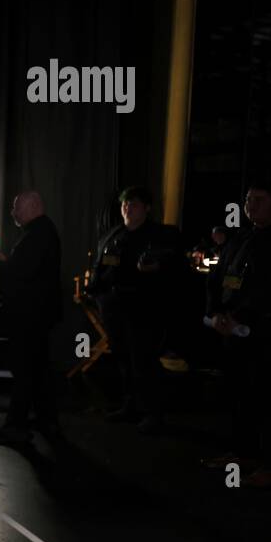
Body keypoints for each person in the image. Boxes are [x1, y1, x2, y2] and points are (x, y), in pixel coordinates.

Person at [203, 179, 271, 487]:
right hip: (232, 331)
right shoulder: (241, 238)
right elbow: (218, 276)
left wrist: (238, 315)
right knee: (239, 395)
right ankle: (243, 452)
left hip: (268, 334)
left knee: (270, 399)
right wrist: (215, 312)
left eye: (259, 199)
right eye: (248, 199)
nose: (250, 205)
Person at [85, 186, 182, 434]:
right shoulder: (113, 235)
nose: (128, 208)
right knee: (124, 360)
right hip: (114, 307)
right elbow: (100, 267)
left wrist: (156, 268)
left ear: (147, 208)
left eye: (134, 204)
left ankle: (153, 412)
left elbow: (174, 268)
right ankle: (131, 406)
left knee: (144, 361)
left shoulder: (160, 235)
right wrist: (96, 292)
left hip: (143, 308)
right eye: (125, 204)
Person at [0, 191, 63, 445]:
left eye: (17, 207)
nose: (13, 212)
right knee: (37, 369)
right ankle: (44, 419)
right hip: (39, 313)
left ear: (33, 207)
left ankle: (16, 426)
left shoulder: (37, 234)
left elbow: (22, 272)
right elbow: (29, 268)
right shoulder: (42, 232)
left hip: (30, 315)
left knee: (25, 369)